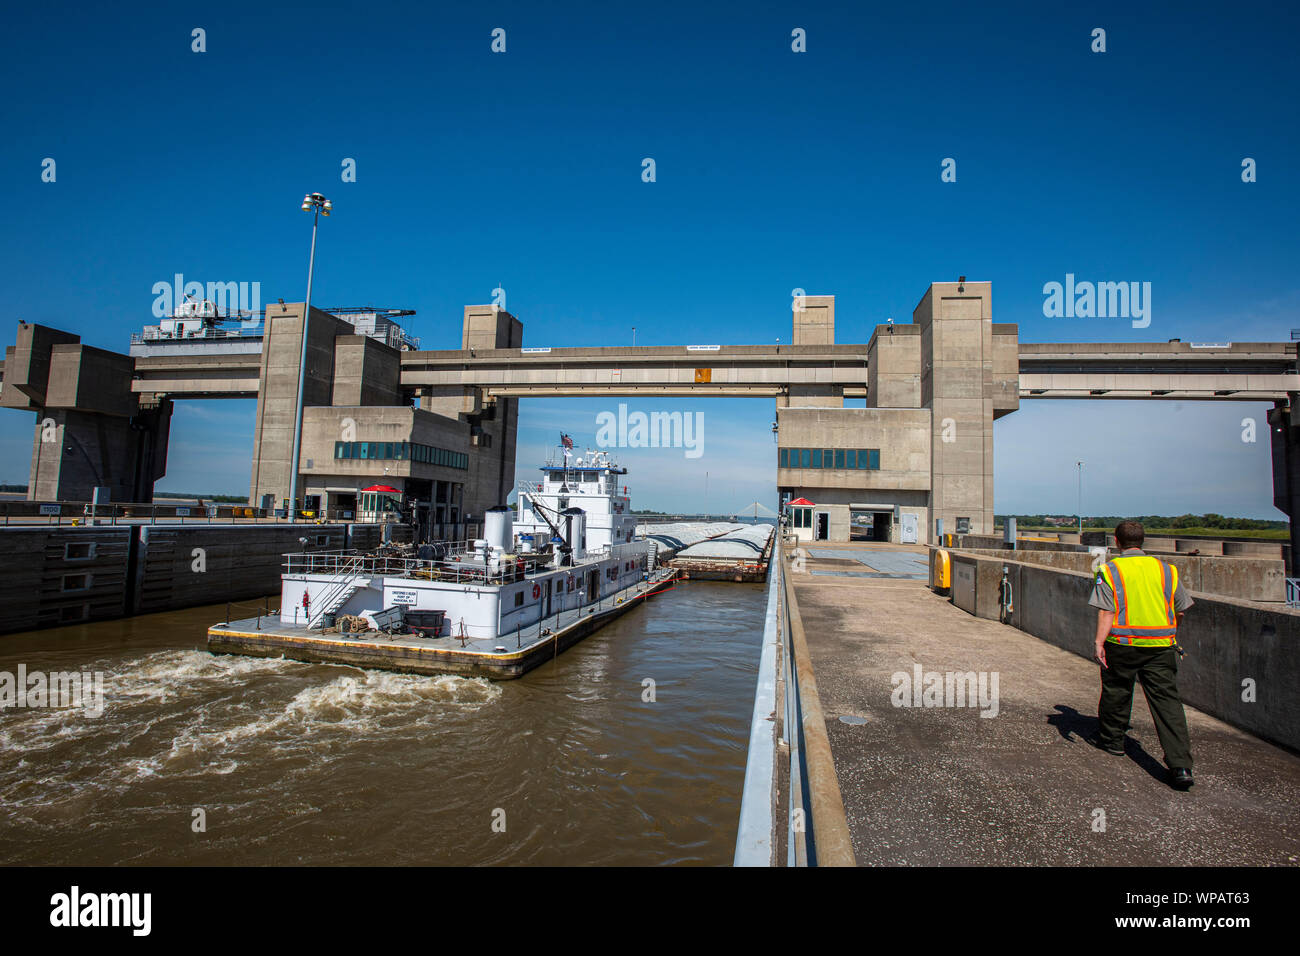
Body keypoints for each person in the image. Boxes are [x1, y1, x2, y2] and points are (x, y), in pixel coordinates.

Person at [1087, 521, 1195, 790]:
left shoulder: (1109, 570)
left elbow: (1106, 611)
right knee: (1167, 702)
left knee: (1117, 691)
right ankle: (1180, 766)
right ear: (1142, 541)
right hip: (1160, 646)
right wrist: (1167, 633)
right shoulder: (1166, 570)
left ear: (1116, 541)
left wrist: (1099, 642)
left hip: (1122, 643)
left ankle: (1113, 741)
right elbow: (1180, 609)